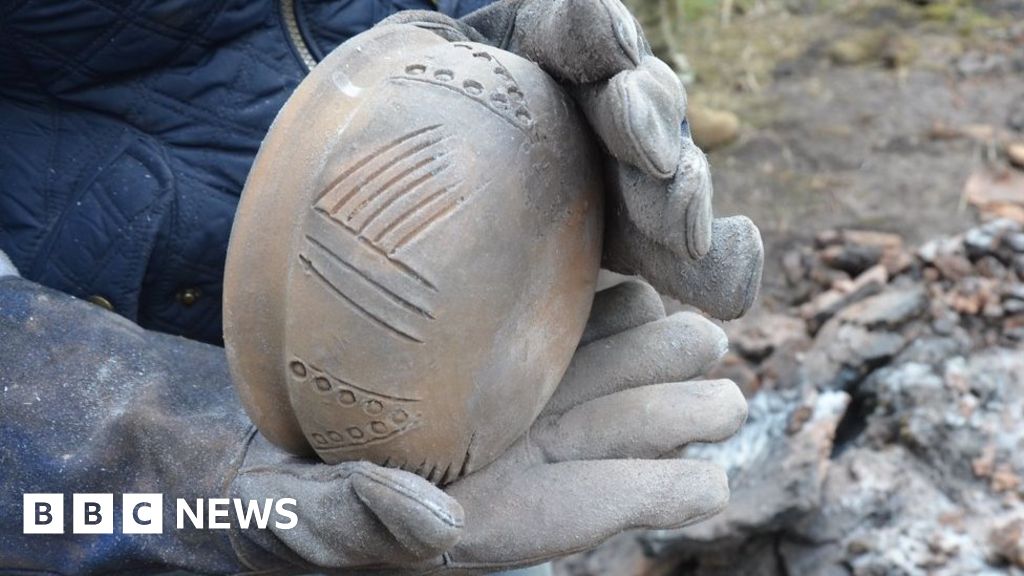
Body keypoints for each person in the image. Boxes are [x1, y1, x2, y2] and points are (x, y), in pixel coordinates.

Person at [0, 0, 764, 574]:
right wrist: (124, 452)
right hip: (109, 413)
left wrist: (509, 65)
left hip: (472, 406)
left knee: (445, 529)